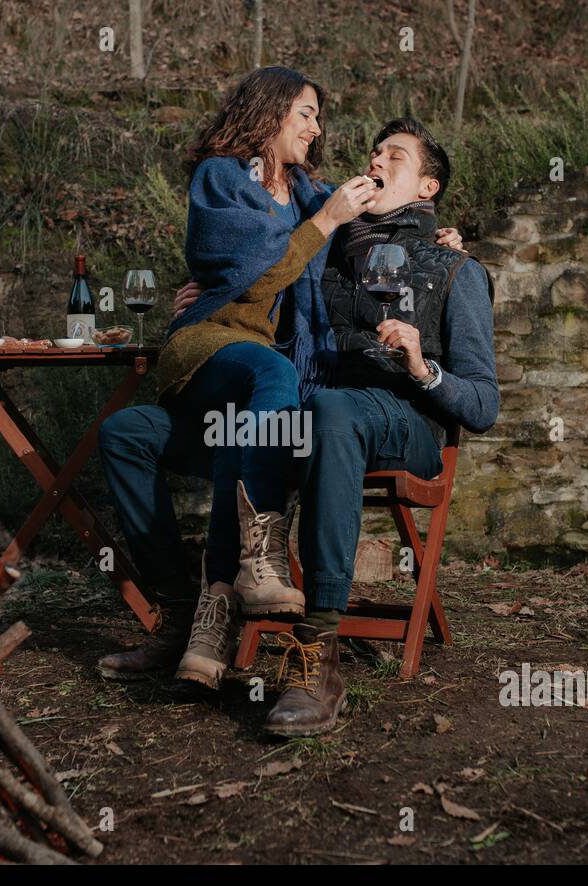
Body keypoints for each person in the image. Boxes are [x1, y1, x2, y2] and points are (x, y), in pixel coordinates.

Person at [97, 69, 462, 690]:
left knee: (125, 432)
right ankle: (249, 564)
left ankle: (197, 616)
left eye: (318, 116)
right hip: (214, 347)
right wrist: (309, 232)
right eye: (305, 113)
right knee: (269, 373)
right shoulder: (220, 178)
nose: (316, 128)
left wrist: (439, 235)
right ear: (268, 113)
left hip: (262, 392)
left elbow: (378, 235)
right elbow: (257, 272)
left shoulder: (311, 194)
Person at [263, 117, 499, 736]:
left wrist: (423, 367)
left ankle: (318, 654)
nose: (376, 157)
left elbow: (482, 406)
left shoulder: (455, 270)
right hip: (319, 410)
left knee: (329, 413)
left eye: (395, 155)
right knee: (233, 423)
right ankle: (202, 614)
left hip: (408, 421)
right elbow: (263, 275)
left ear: (428, 188)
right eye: (374, 150)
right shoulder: (323, 252)